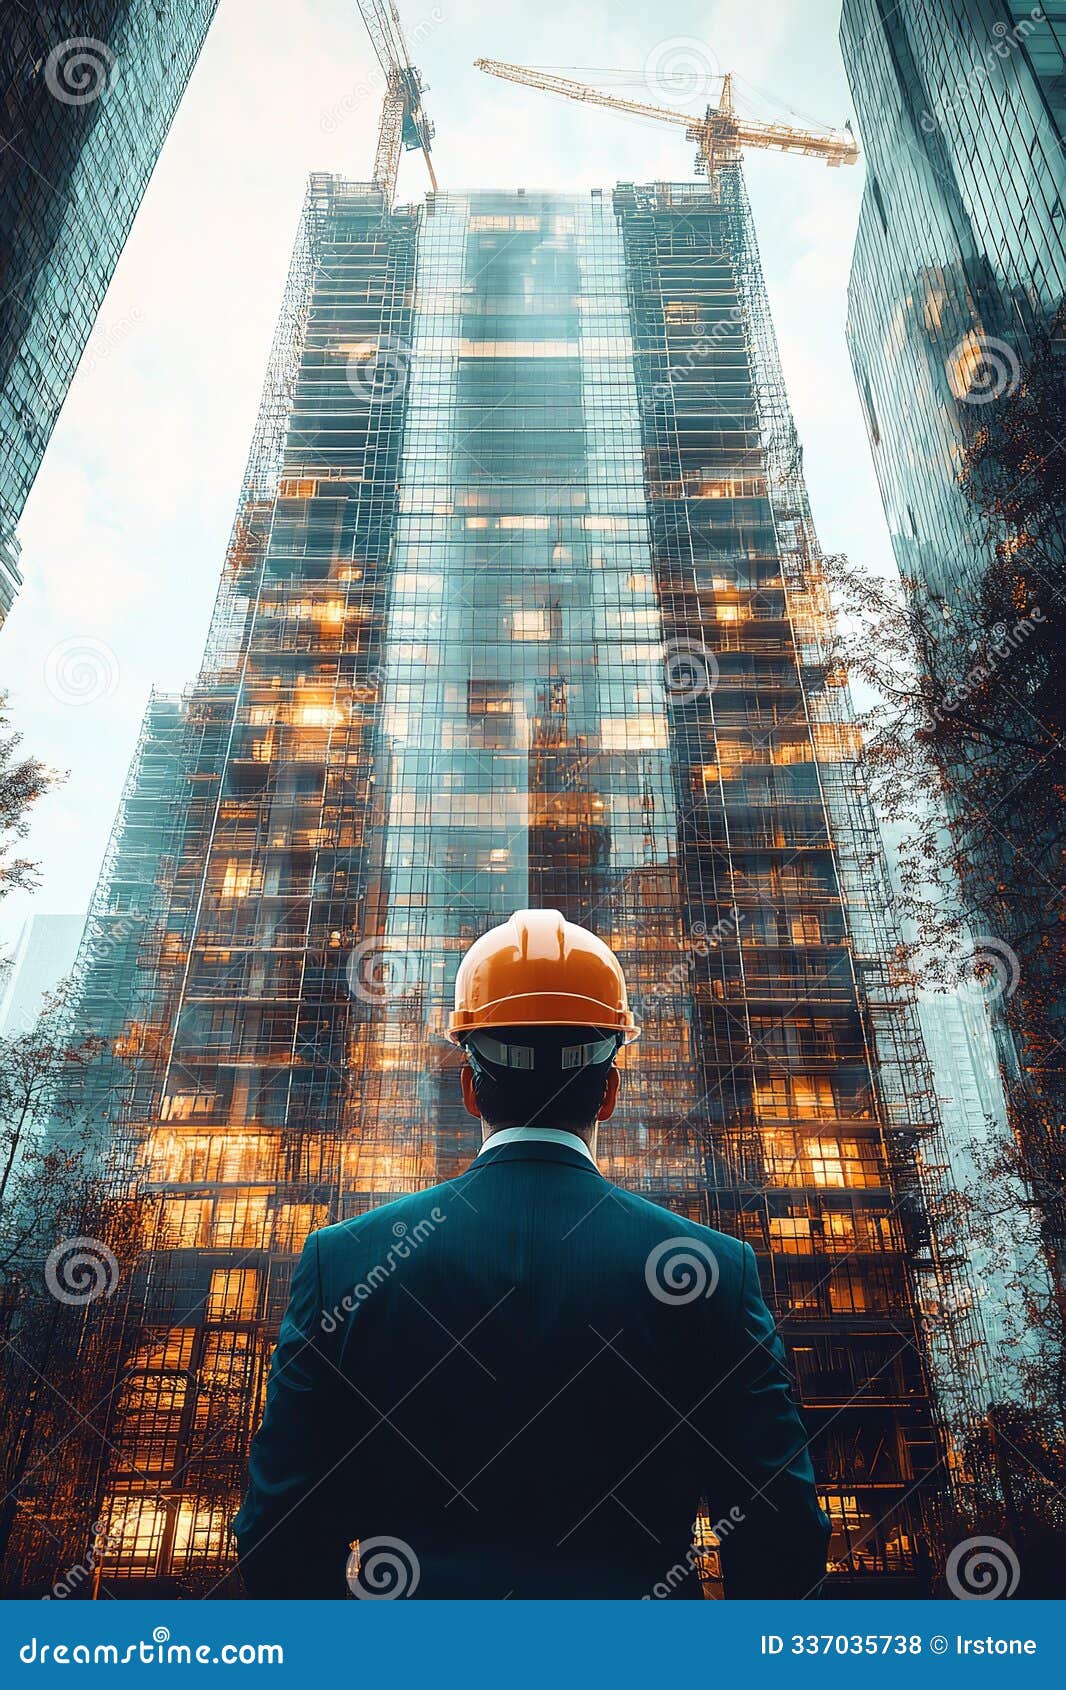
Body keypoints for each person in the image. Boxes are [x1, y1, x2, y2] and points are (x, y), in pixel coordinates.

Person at [233, 909, 830, 1599]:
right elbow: (782, 1539)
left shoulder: (344, 1263)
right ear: (609, 1093)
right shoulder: (715, 1274)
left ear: (469, 1089)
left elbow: (278, 1537)